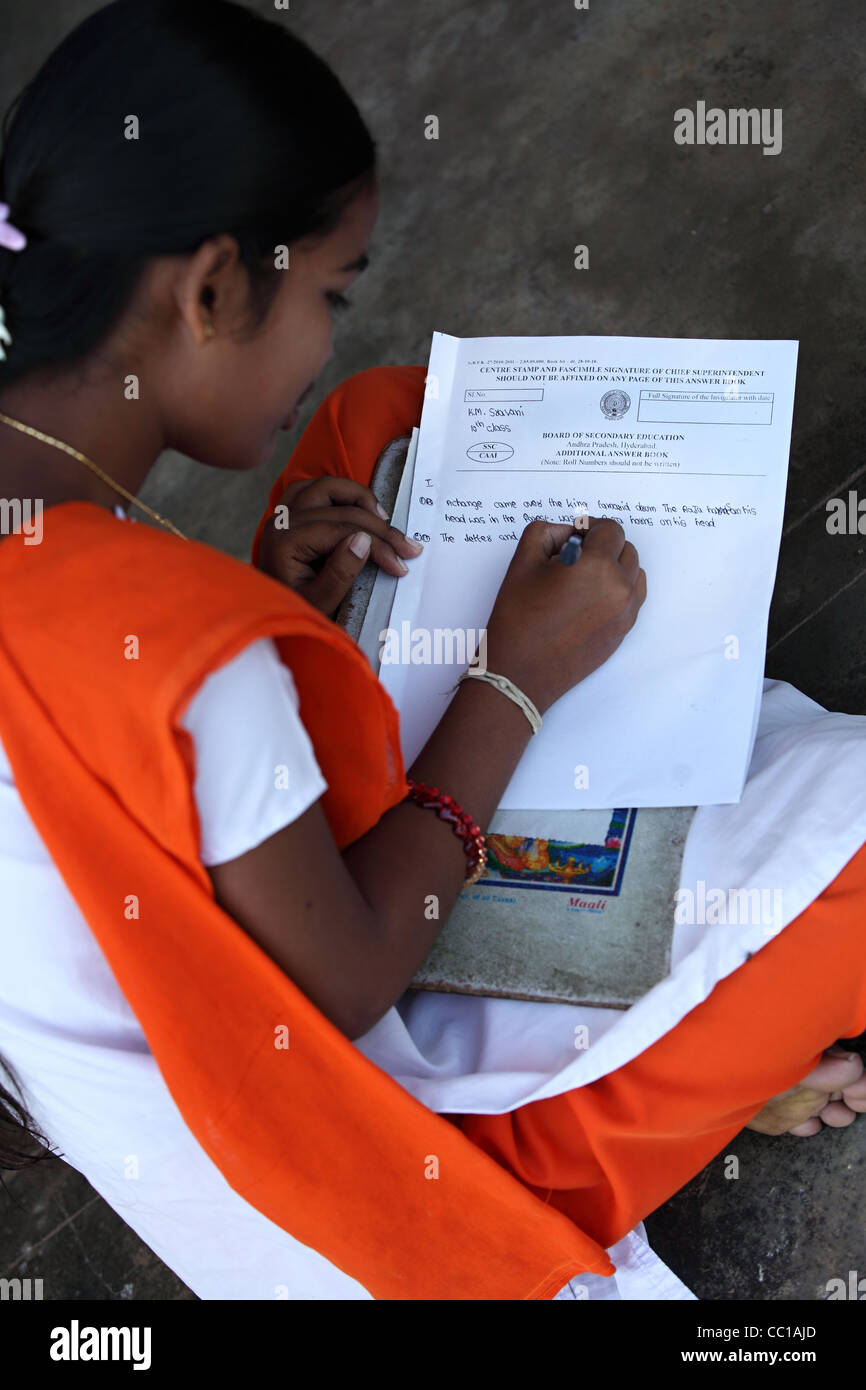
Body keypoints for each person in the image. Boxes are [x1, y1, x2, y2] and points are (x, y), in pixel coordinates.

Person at [0, 0, 864, 1302]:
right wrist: (513, 679)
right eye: (330, 293)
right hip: (401, 1163)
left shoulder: (82, 569)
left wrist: (265, 597)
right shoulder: (172, 647)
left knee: (379, 430)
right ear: (213, 286)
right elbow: (345, 979)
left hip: (226, 1014)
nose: (331, 333)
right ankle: (682, 1075)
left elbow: (125, 777)